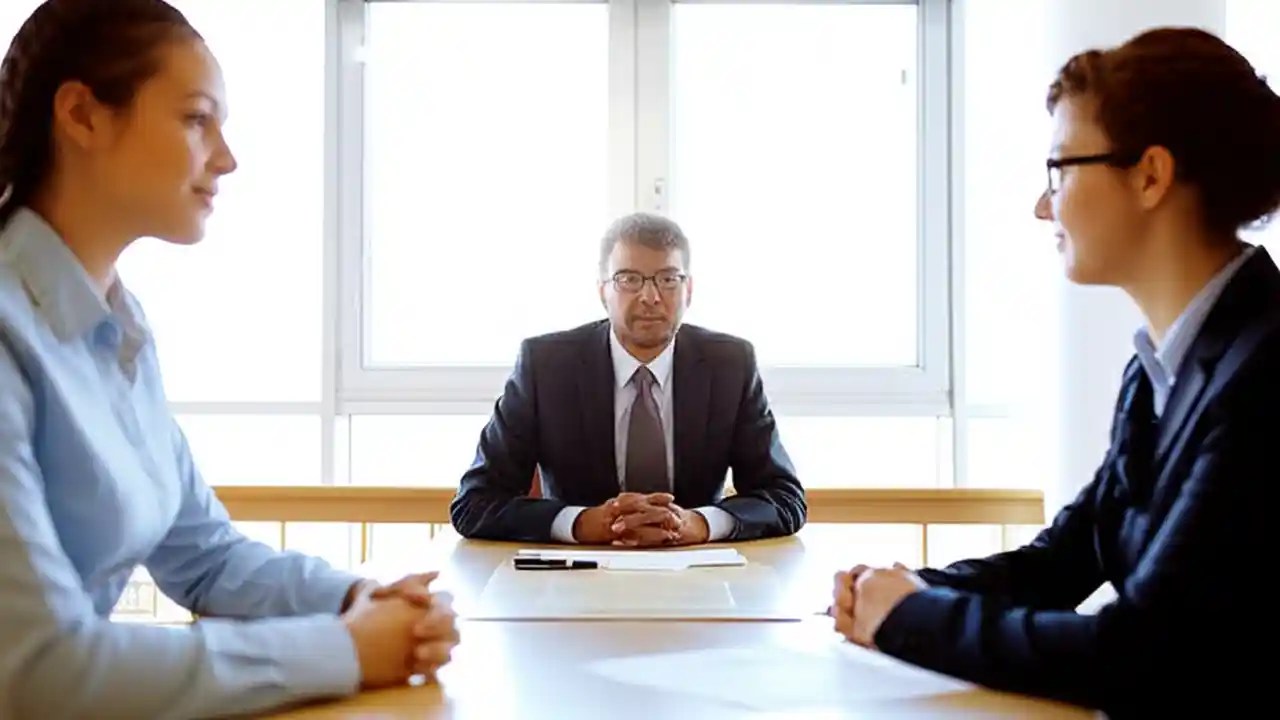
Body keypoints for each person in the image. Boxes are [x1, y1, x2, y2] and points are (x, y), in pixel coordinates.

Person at [0, 2, 459, 718]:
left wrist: (358, 600)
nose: (226, 156)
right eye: (195, 119)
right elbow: (37, 670)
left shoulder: (120, 330)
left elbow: (207, 558)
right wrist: (348, 649)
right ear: (83, 116)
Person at [829, 27, 1280, 716]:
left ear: (1150, 175)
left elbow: (1140, 651)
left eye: (1060, 171)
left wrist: (908, 619)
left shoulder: (1263, 371)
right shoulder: (1155, 369)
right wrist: (897, 589)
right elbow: (1064, 560)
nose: (1045, 205)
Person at [450, 212, 806, 545]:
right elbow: (474, 503)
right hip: (577, 575)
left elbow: (784, 497)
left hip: (698, 570)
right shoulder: (545, 366)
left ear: (689, 290)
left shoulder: (729, 364)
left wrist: (701, 523)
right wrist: (582, 523)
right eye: (629, 279)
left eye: (668, 279)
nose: (650, 296)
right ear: (602, 289)